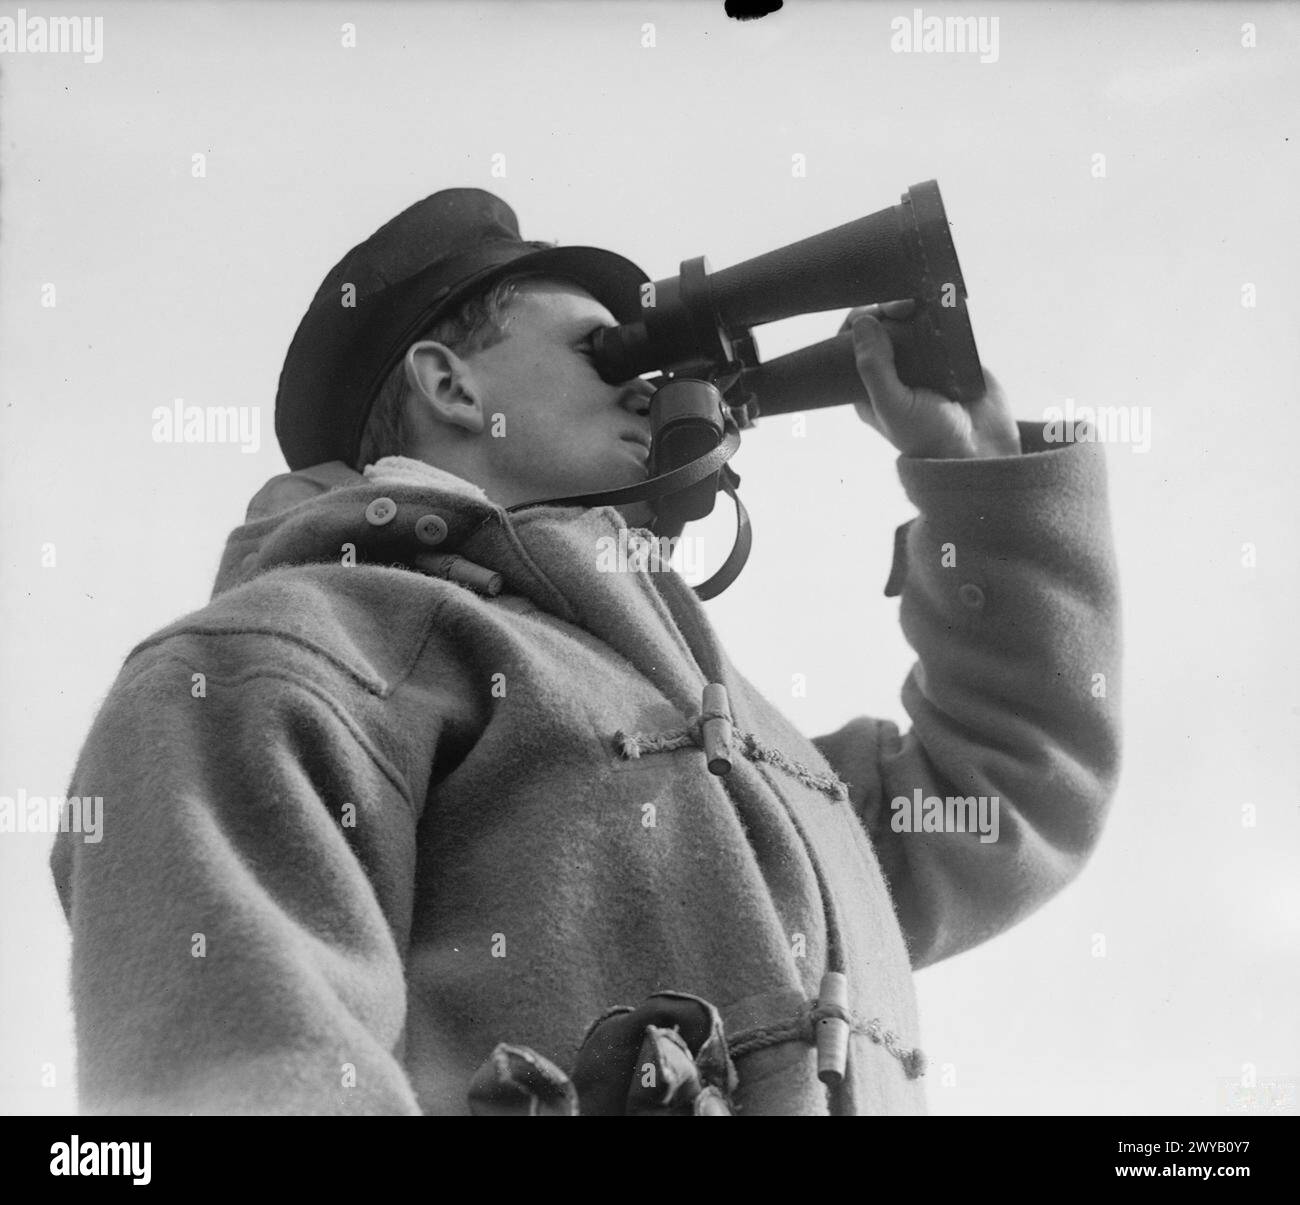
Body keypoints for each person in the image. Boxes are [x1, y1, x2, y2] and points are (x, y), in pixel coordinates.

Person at [50, 188, 1121, 1116]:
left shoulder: (742, 757)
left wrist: (973, 477)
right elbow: (246, 1069)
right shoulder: (288, 656)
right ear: (450, 385)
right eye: (600, 348)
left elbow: (1005, 793)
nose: (653, 384)